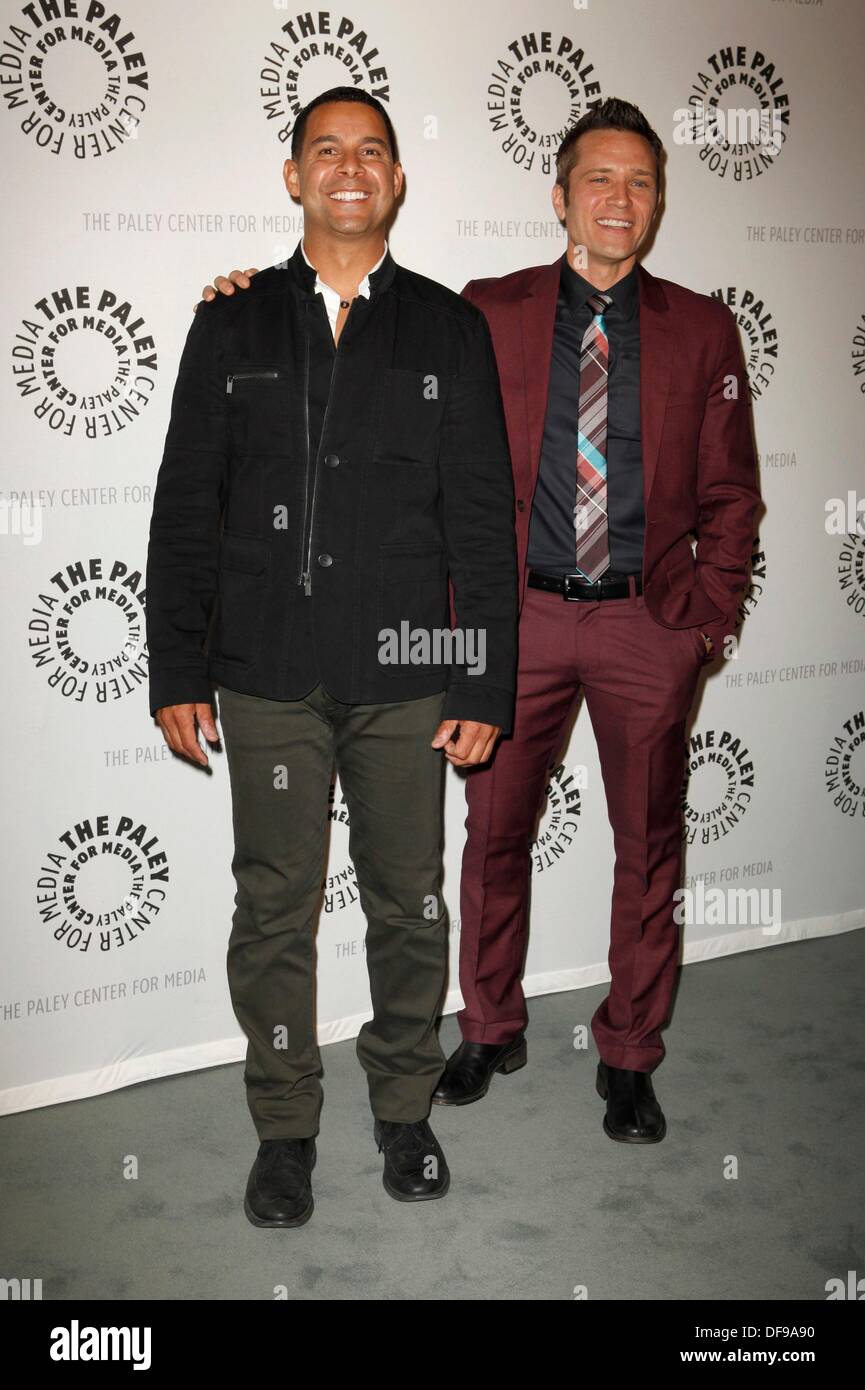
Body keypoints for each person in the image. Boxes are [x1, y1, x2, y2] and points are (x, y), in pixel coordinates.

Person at [202, 97, 760, 1145]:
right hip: (516, 620)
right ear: (558, 196)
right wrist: (246, 291)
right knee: (490, 837)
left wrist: (703, 624)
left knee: (648, 847)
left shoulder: (704, 328)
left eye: (638, 182)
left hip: (646, 622)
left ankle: (630, 1052)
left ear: (656, 204)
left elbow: (733, 497)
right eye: (597, 177)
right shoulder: (481, 311)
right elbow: (362, 353)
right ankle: (489, 1023)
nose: (617, 198)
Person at [146, 86, 518, 1228]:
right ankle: (285, 1126)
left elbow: (480, 518)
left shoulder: (449, 328)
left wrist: (482, 676)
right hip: (265, 671)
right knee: (273, 911)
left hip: (410, 671)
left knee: (407, 903)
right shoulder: (233, 321)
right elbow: (185, 508)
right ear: (294, 175)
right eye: (327, 150)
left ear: (398, 181)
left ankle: (404, 1107)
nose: (349, 168)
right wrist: (176, 669)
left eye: (372, 153)